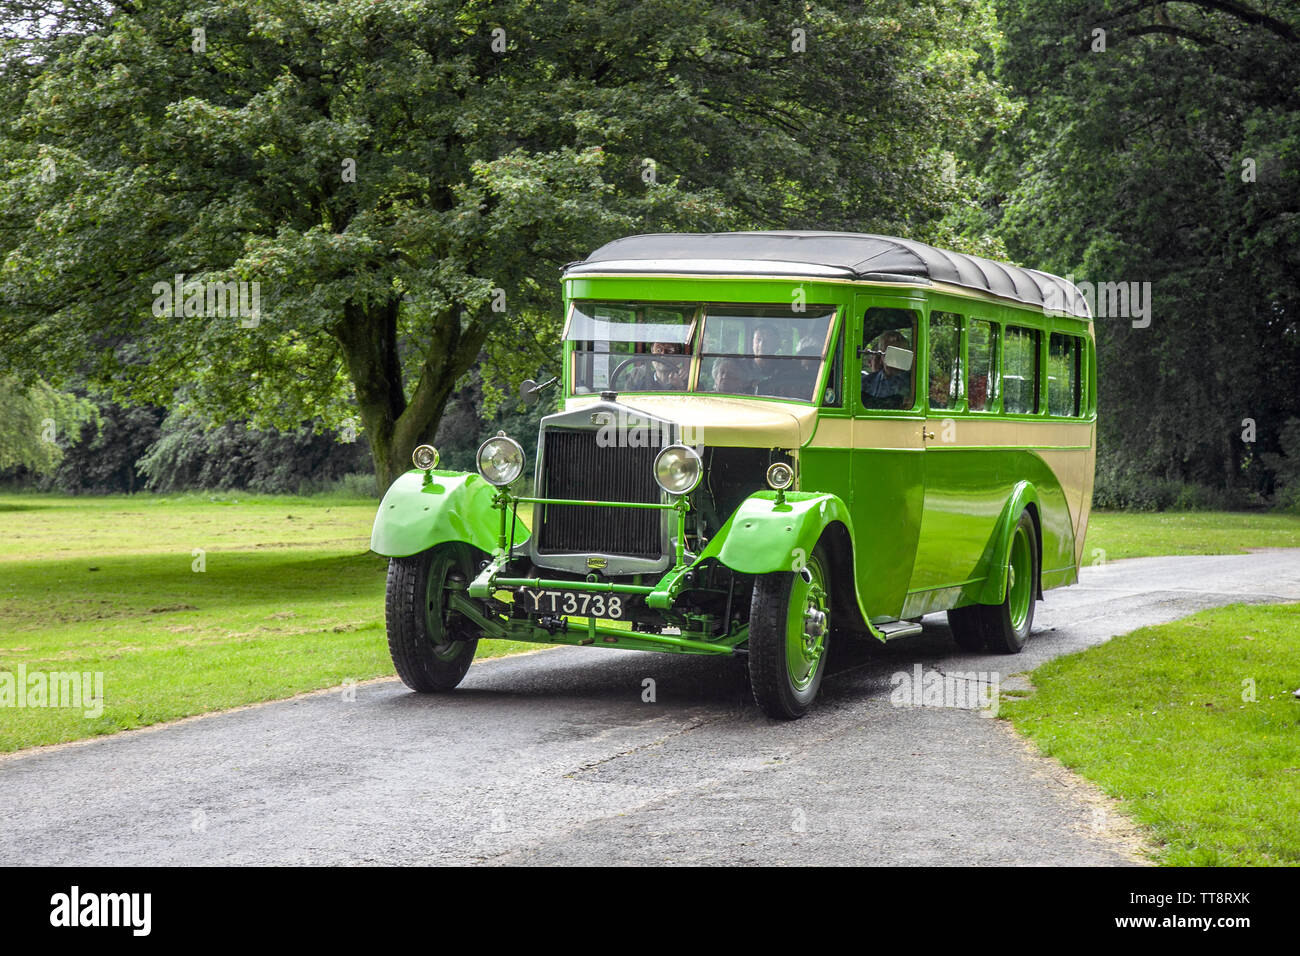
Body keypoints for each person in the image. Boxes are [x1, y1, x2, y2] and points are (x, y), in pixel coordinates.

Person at [861, 329, 913, 409]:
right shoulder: (865, 383)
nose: (896, 358)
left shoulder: (914, 383)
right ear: (881, 355)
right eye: (891, 353)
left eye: (901, 354)